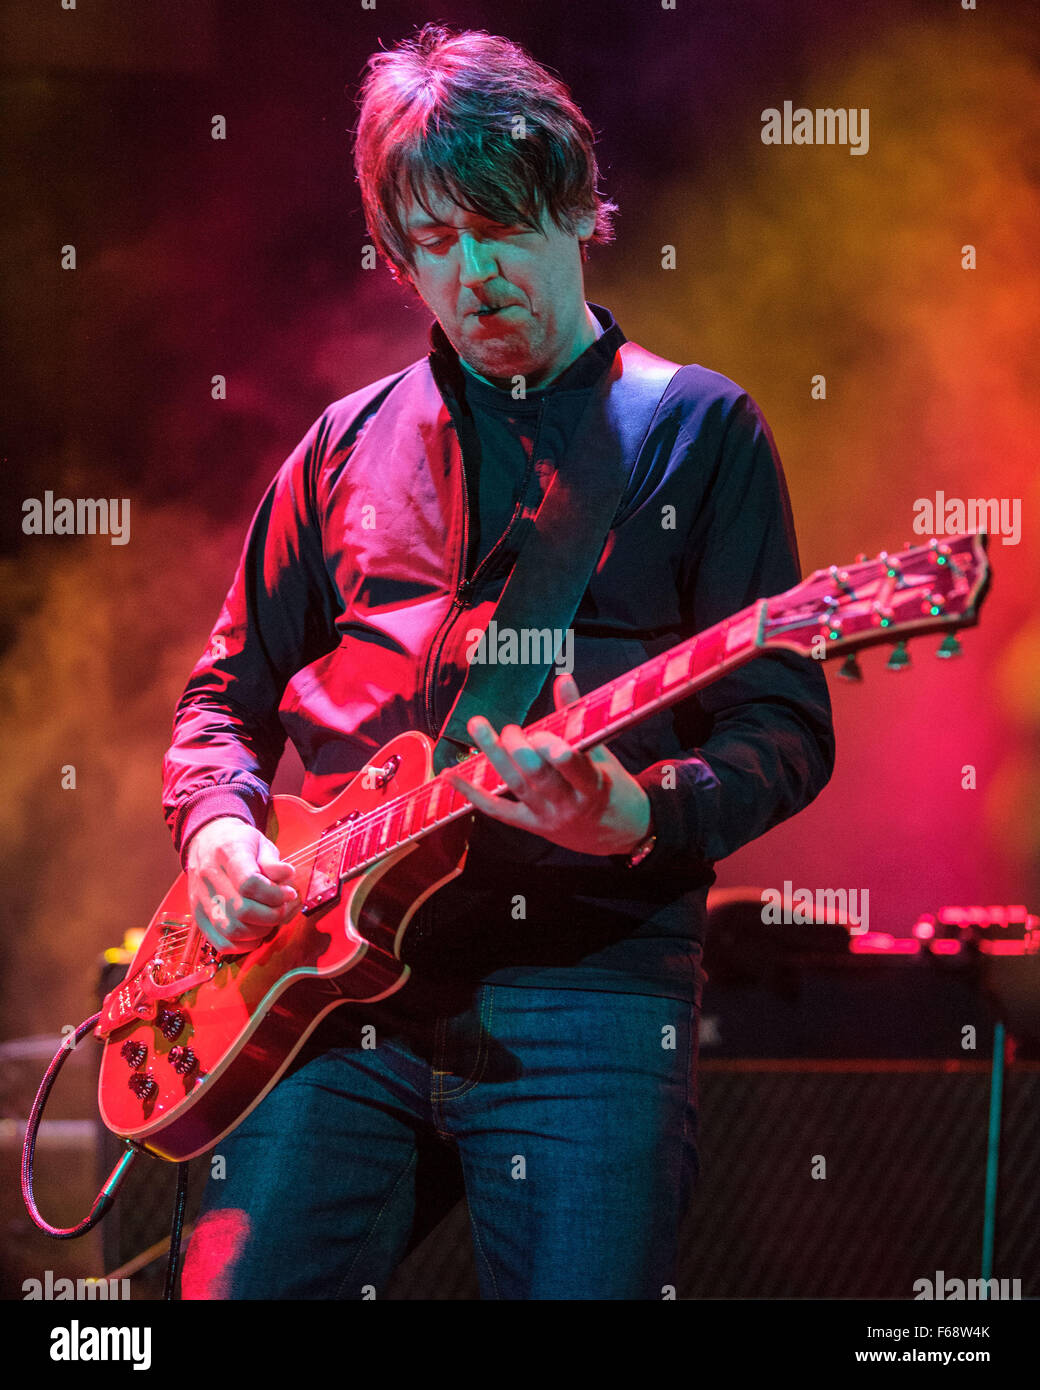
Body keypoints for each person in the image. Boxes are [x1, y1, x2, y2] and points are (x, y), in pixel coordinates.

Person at [166, 24, 835, 1300]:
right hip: (325, 996)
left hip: (581, 1001)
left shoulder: (693, 432)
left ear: (580, 208)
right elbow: (221, 699)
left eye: (503, 228)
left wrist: (634, 811)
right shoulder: (340, 446)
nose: (472, 275)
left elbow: (783, 726)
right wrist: (216, 833)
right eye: (432, 241)